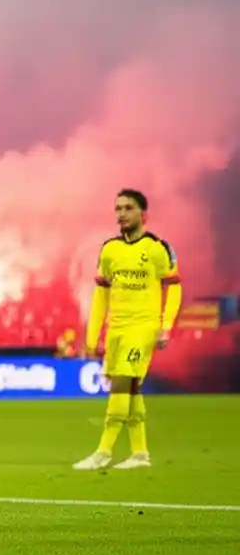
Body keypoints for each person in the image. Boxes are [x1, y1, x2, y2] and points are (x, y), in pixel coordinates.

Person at [73, 188, 181, 471]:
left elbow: (174, 287)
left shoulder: (158, 248)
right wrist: (92, 336)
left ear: (142, 213)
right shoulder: (110, 250)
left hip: (143, 326)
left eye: (128, 208)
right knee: (130, 389)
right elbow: (101, 296)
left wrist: (165, 326)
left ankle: (103, 451)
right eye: (118, 208)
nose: (122, 214)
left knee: (123, 382)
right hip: (117, 329)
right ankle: (140, 454)